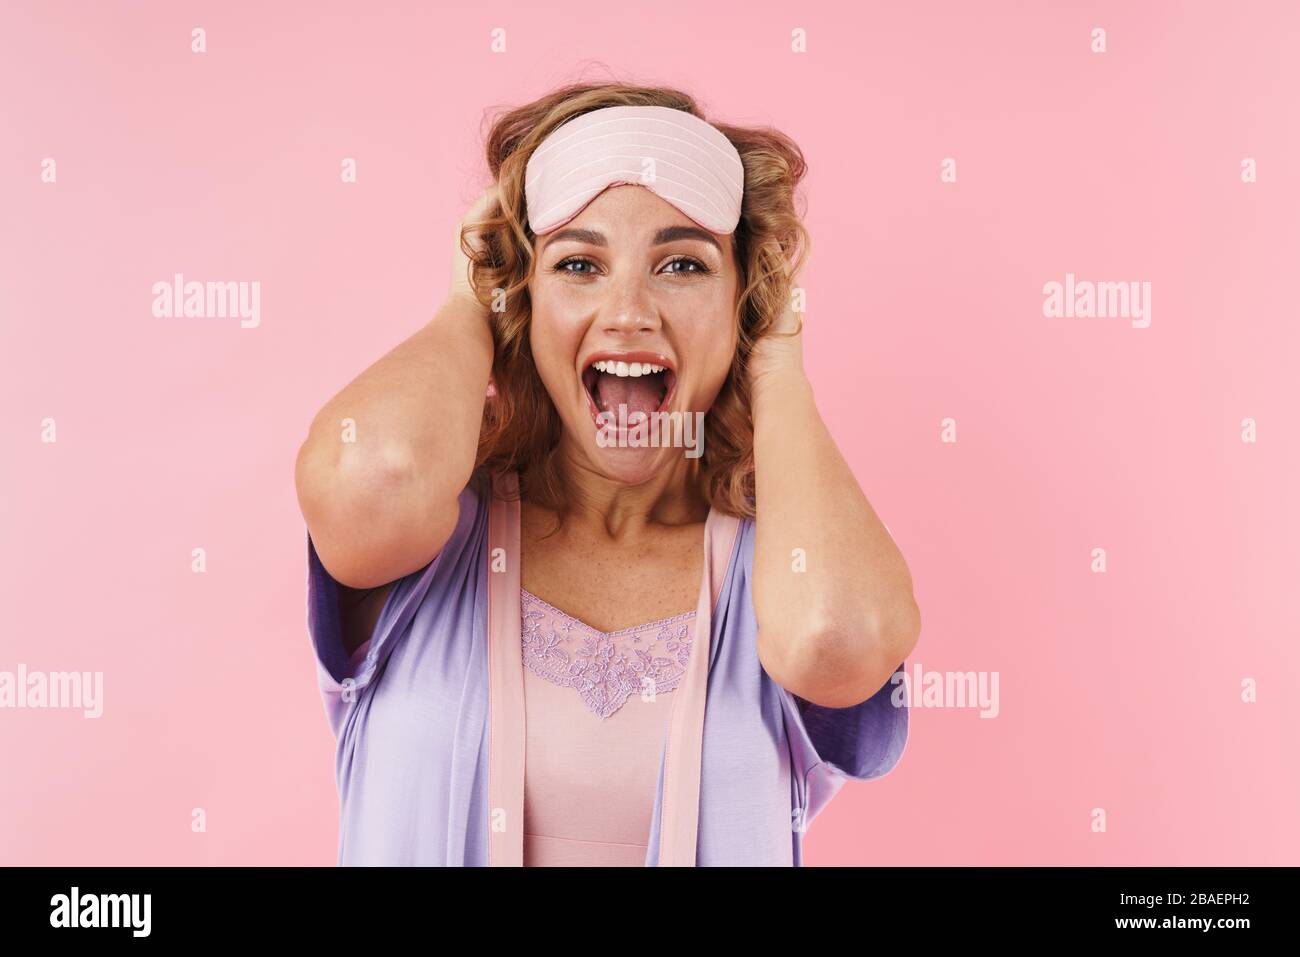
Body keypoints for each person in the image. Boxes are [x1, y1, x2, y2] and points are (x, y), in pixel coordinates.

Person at [295, 82, 921, 866]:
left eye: (684, 264)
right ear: (520, 298)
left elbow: (839, 637)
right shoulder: (432, 543)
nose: (629, 311)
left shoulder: (779, 576)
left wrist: (781, 368)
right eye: (580, 263)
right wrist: (466, 299)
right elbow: (373, 473)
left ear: (744, 306)